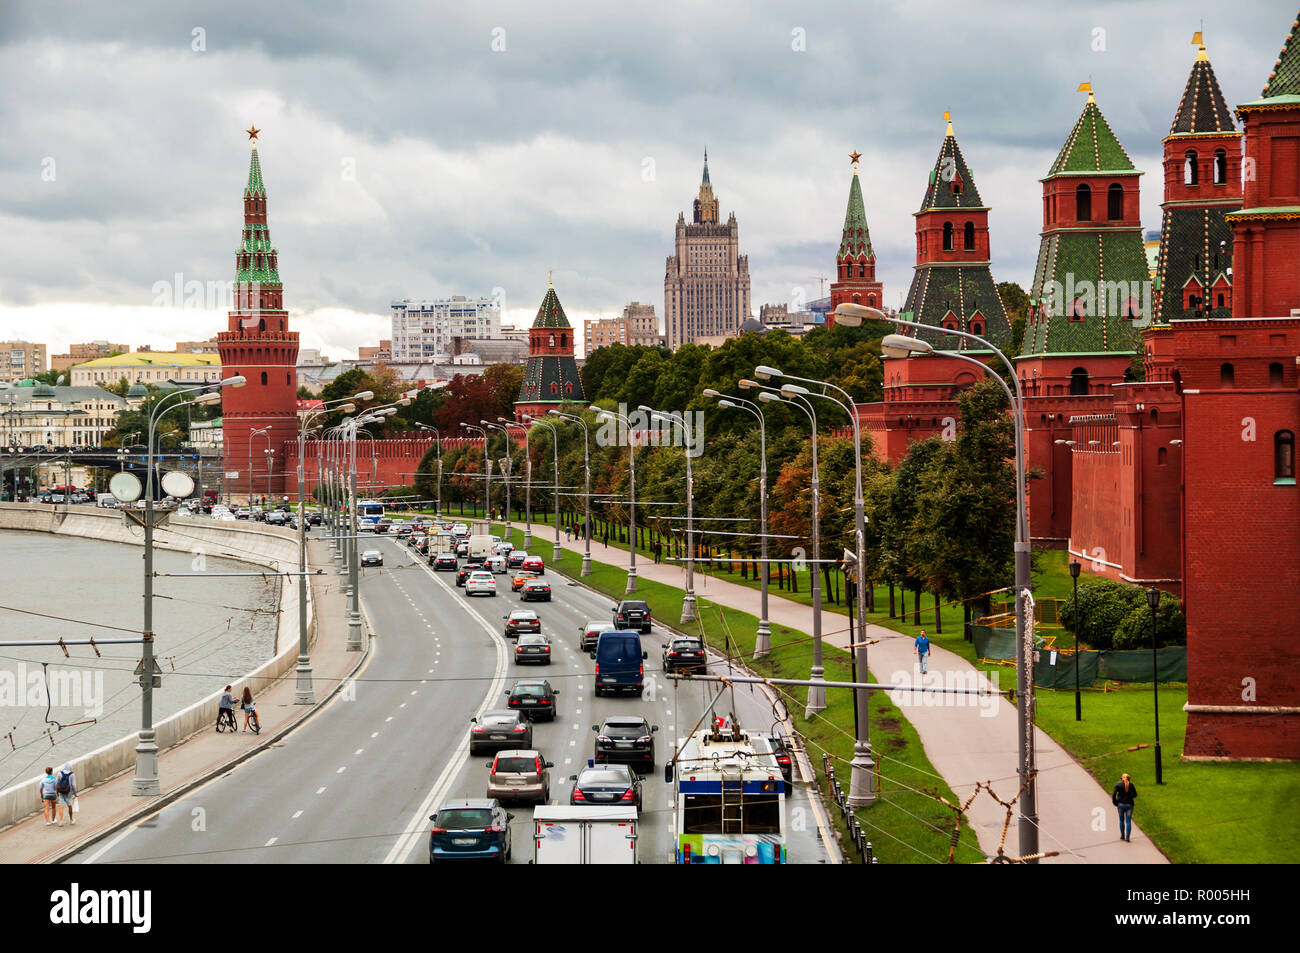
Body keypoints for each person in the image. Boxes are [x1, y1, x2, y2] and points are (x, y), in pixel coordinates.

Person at [1113, 773, 1137, 842]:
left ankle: (1122, 836)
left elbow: (1114, 794)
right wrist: (1129, 796)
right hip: (1129, 804)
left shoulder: (1118, 785)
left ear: (1122, 779)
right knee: (1128, 821)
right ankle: (1127, 837)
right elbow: (1135, 795)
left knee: (1121, 820)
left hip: (1120, 804)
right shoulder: (1131, 785)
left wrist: (1115, 802)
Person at [54, 762, 77, 827]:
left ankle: (61, 821)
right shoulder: (72, 774)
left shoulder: (59, 773)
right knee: (69, 806)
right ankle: (71, 820)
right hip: (69, 792)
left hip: (61, 792)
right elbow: (73, 785)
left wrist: (57, 792)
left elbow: (56, 783)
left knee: (61, 806)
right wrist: (75, 793)